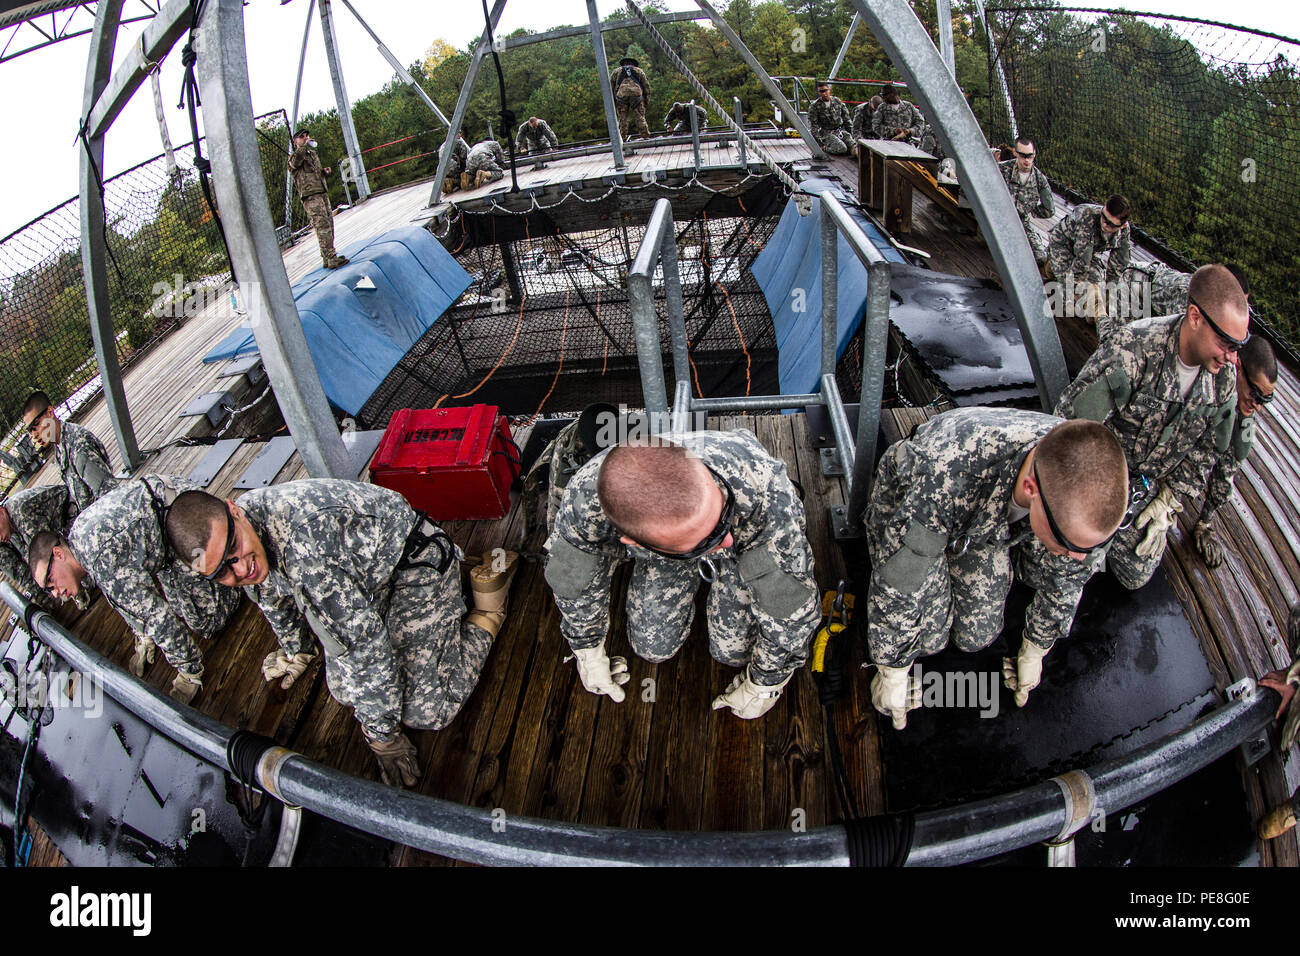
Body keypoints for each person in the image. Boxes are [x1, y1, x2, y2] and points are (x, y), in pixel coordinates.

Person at [164, 480, 518, 788]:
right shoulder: (244, 532)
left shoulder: (305, 549)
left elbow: (368, 652)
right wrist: (296, 649)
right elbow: (268, 594)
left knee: (427, 711)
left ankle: (488, 610)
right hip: (365, 580)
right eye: (222, 571)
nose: (241, 568)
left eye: (233, 551)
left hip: (415, 564)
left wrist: (383, 739)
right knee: (345, 690)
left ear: (233, 510)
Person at [865, 409, 1128, 729]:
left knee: (977, 636)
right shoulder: (943, 476)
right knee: (928, 641)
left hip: (984, 522)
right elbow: (897, 583)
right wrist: (891, 672)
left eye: (1084, 548)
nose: (1076, 557)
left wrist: (1036, 649)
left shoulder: (1086, 489)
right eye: (1066, 542)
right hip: (914, 507)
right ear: (1031, 488)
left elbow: (1070, 576)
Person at [544, 431, 820, 720]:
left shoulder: (765, 493)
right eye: (707, 540)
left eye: (720, 517)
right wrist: (587, 650)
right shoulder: (584, 503)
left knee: (734, 652)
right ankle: (700, 534)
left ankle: (708, 530)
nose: (723, 542)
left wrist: (766, 683)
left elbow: (793, 610)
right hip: (664, 548)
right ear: (634, 543)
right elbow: (573, 583)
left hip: (748, 535)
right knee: (652, 647)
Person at [1054, 264, 1247, 590]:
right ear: (1196, 317)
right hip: (1095, 480)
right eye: (1226, 343)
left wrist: (1169, 499)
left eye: (1238, 346)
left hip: (1146, 487)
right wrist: (1081, 503)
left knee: (1133, 576)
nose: (1232, 358)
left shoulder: (1222, 379)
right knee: (1056, 570)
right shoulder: (1132, 351)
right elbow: (1070, 428)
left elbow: (1205, 450)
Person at [26, 476, 241, 703]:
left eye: (50, 581)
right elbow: (122, 598)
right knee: (179, 607)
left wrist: (189, 671)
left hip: (187, 517)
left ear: (58, 554)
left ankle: (229, 571)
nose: (56, 593)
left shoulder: (98, 558)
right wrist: (143, 634)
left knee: (206, 622)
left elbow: (157, 616)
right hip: (163, 537)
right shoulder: (80, 543)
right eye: (48, 590)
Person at [1193, 335, 1277, 567]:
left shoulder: (1249, 406)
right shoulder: (1211, 377)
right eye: (1254, 393)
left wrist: (1205, 523)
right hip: (1193, 429)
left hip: (1217, 431)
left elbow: (1236, 458)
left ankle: (1204, 521)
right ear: (1238, 367)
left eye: (1265, 400)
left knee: (1232, 460)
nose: (1257, 404)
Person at [21, 391, 121, 514]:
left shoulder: (78, 447)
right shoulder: (59, 446)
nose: (34, 435)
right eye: (30, 431)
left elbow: (111, 496)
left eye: (36, 425)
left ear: (50, 413)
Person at [1046, 194, 1132, 323]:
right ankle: (1051, 266)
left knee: (1098, 284)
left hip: (1090, 254)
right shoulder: (1087, 216)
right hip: (1062, 246)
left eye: (1111, 225)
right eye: (1104, 218)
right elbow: (1081, 265)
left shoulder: (1124, 231)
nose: (1104, 224)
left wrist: (1110, 295)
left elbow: (1118, 266)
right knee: (1071, 297)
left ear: (1122, 226)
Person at [0, 485, 74, 610]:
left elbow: (45, 554)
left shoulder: (22, 513)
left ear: (1, 512)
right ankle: (44, 598)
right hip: (58, 534)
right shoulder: (8, 526)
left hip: (71, 518)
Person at [288, 128, 348, 270]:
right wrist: (303, 147)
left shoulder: (312, 154)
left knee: (328, 223)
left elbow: (312, 173)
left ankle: (327, 256)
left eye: (306, 136)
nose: (306, 138)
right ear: (296, 141)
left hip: (321, 191)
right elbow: (296, 163)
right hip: (311, 196)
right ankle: (331, 257)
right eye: (301, 137)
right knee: (322, 226)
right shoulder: (294, 156)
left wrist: (323, 173)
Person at [998, 135, 1054, 271]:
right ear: (1015, 153)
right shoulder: (1001, 170)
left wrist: (1029, 211)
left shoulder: (1039, 180)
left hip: (1021, 222)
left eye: (1030, 156)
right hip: (999, 220)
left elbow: (1049, 210)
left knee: (1040, 257)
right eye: (1023, 156)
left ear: (1034, 154)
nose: (1027, 160)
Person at [871, 84, 938, 154]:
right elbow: (876, 126)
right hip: (887, 144)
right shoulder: (882, 108)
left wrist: (909, 131)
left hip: (907, 144)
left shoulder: (908, 106)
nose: (883, 98)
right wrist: (893, 131)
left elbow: (920, 122)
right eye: (882, 95)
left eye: (885, 95)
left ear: (893, 94)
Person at [807, 80, 854, 156]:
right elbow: (813, 126)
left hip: (839, 131)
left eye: (825, 91)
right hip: (826, 133)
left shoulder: (837, 101)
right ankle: (825, 148)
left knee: (853, 146)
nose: (824, 94)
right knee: (841, 148)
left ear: (829, 90)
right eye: (821, 92)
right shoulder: (814, 106)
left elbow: (847, 119)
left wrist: (852, 133)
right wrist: (819, 142)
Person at [611, 55, 651, 141]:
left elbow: (611, 87)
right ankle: (645, 136)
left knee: (623, 118)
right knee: (640, 116)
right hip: (636, 96)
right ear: (634, 64)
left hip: (621, 96)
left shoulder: (616, 72)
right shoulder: (639, 71)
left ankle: (622, 138)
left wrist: (613, 102)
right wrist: (646, 101)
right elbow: (646, 87)